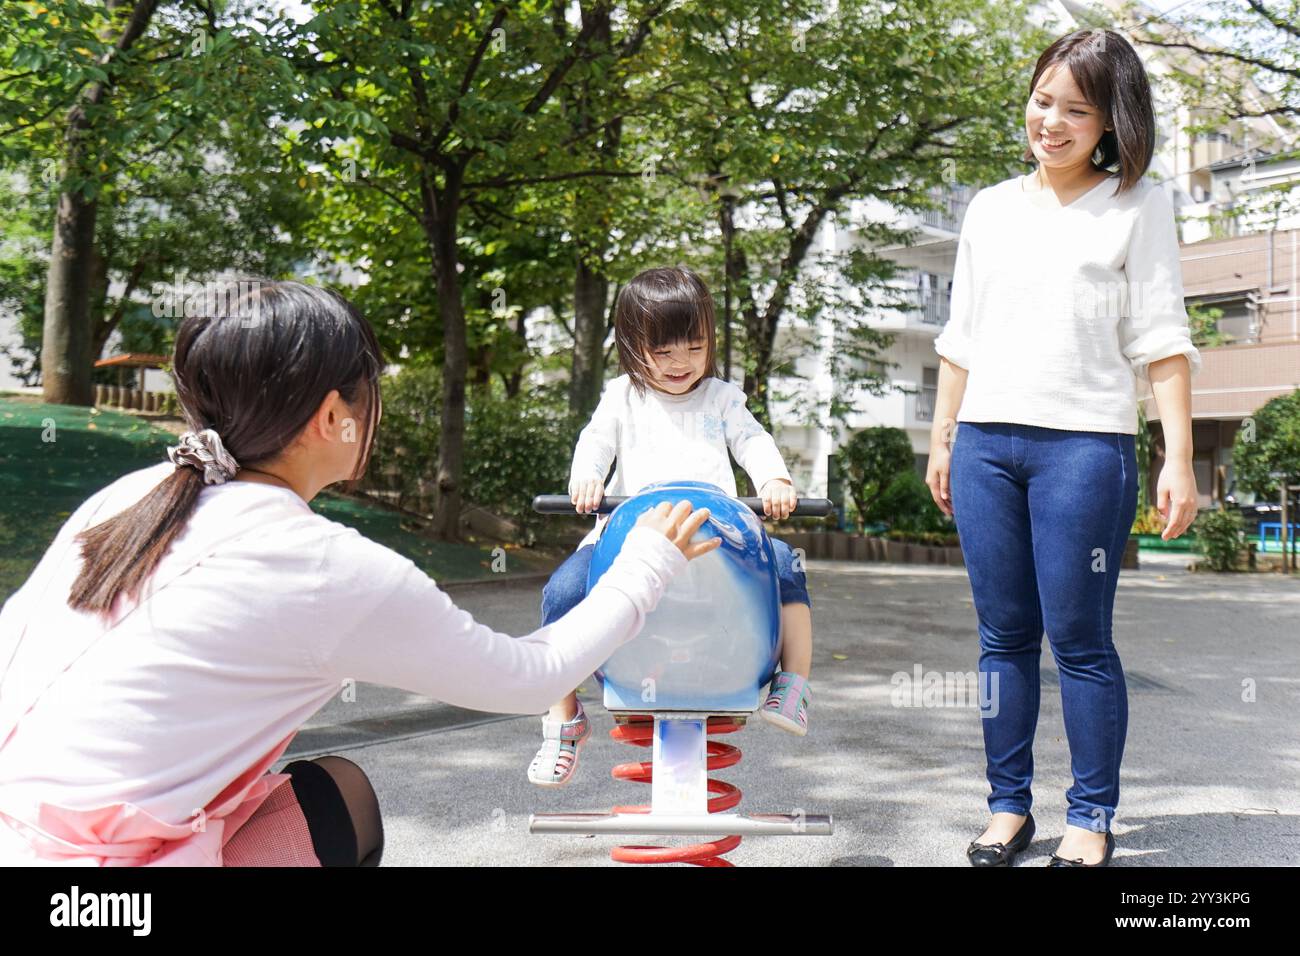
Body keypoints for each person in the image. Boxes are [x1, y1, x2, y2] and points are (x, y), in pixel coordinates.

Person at [0, 279, 719, 866]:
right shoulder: (321, 564)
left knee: (333, 793)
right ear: (332, 415)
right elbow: (528, 677)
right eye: (371, 389)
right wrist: (646, 561)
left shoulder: (130, 497)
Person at [927, 29, 1201, 867]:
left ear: (1110, 122)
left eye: (1075, 110)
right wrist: (944, 440)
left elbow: (1162, 340)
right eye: (1043, 100)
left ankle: (1091, 816)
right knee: (1001, 637)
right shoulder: (990, 208)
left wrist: (1179, 457)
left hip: (1086, 449)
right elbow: (960, 336)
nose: (1051, 121)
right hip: (984, 445)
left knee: (1079, 639)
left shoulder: (1138, 204)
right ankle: (1008, 808)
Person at [528, 266, 814, 788]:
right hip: (628, 539)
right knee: (564, 589)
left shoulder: (722, 399)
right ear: (632, 347)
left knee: (786, 566)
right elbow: (595, 442)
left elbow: (752, 440)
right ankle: (562, 716)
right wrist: (588, 478)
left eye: (694, 347)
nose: (680, 363)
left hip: (719, 539)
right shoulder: (621, 397)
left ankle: (792, 682)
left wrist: (773, 479)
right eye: (663, 352)